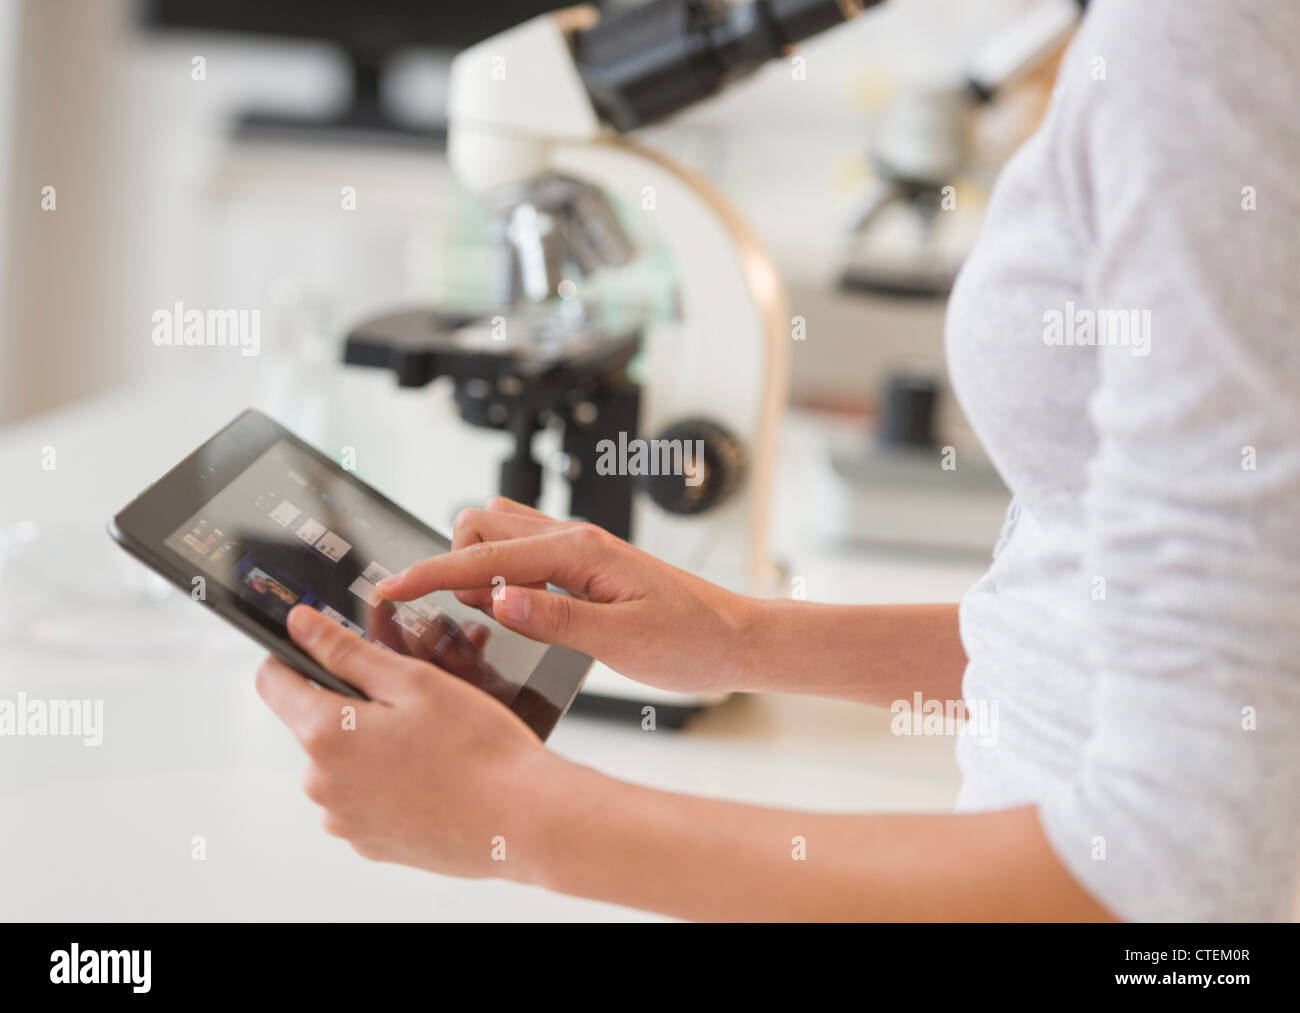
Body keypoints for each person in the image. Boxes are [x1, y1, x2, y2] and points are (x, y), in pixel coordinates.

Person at [254, 0, 1300, 921]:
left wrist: (517, 815)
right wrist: (743, 636)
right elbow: (1158, 636)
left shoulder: (1201, 41)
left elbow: (1177, 881)